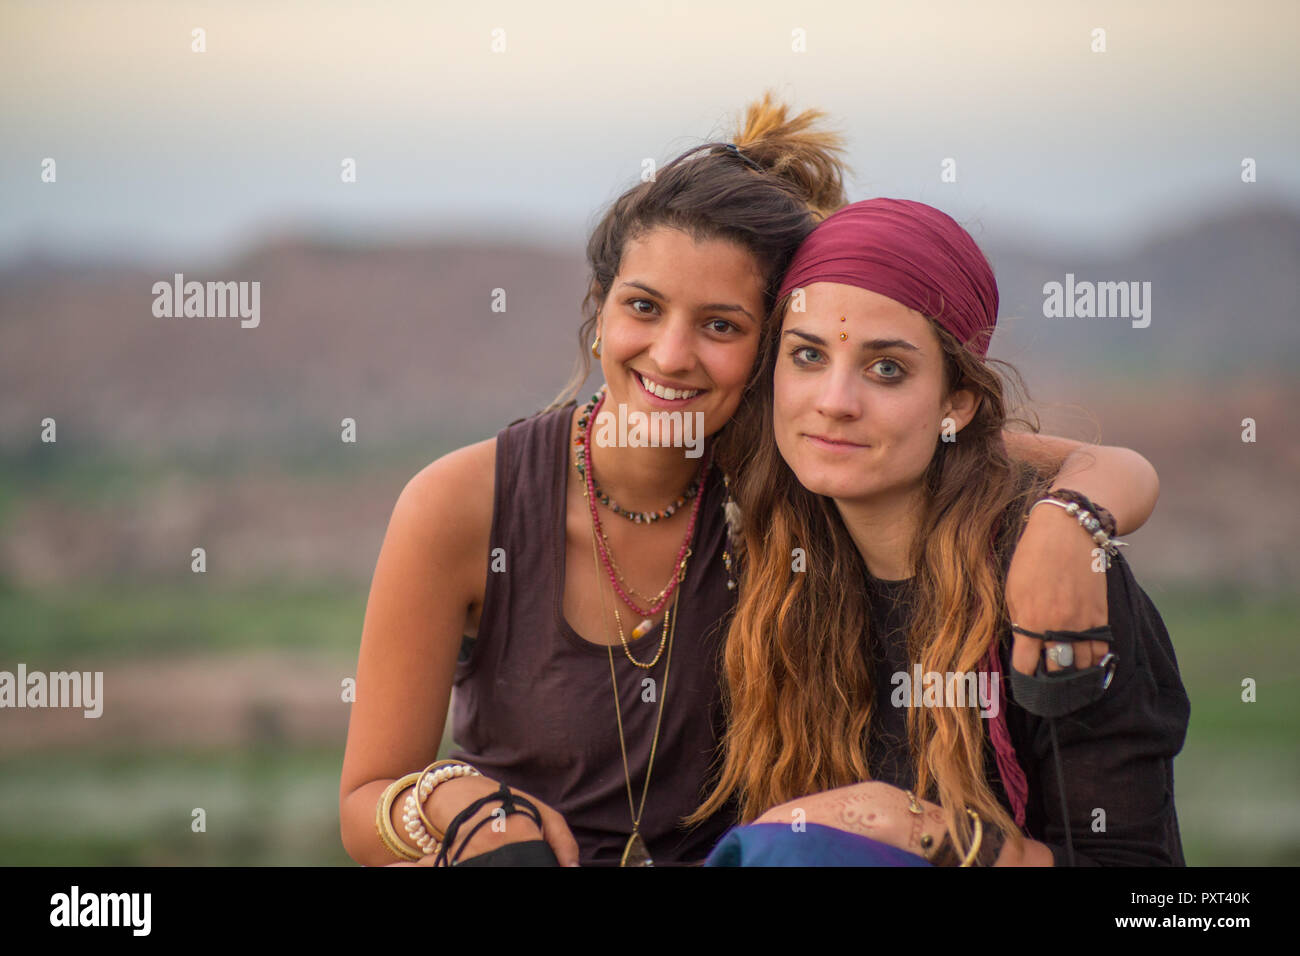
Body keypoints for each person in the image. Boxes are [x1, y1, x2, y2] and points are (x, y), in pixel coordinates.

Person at [339, 95, 1164, 868]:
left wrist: (1073, 518)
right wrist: (453, 801)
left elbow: (977, 447)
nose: (669, 355)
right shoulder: (467, 504)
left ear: (767, 349)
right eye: (643, 307)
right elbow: (364, 799)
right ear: (598, 310)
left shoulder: (794, 479)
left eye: (722, 326)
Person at [692, 198, 1189, 866]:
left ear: (957, 402)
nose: (834, 401)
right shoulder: (769, 545)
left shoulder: (1043, 576)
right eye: (807, 355)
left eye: (886, 368)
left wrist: (928, 833)